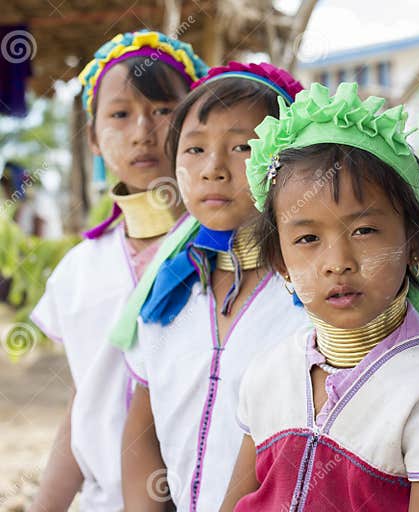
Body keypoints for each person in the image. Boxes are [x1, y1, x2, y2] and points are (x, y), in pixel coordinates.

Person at [220, 82, 419, 511]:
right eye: (308, 237)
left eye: (364, 230)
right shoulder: (269, 371)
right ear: (279, 261)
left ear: (415, 243)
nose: (338, 261)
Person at [29, 30, 207, 511]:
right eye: (120, 114)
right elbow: (85, 404)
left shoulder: (224, 250)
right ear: (93, 137)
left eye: (163, 109)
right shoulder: (78, 270)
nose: (142, 131)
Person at [120, 62, 309, 512]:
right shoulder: (169, 290)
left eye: (242, 146)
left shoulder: (314, 296)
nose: (213, 169)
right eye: (194, 149)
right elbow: (142, 431)